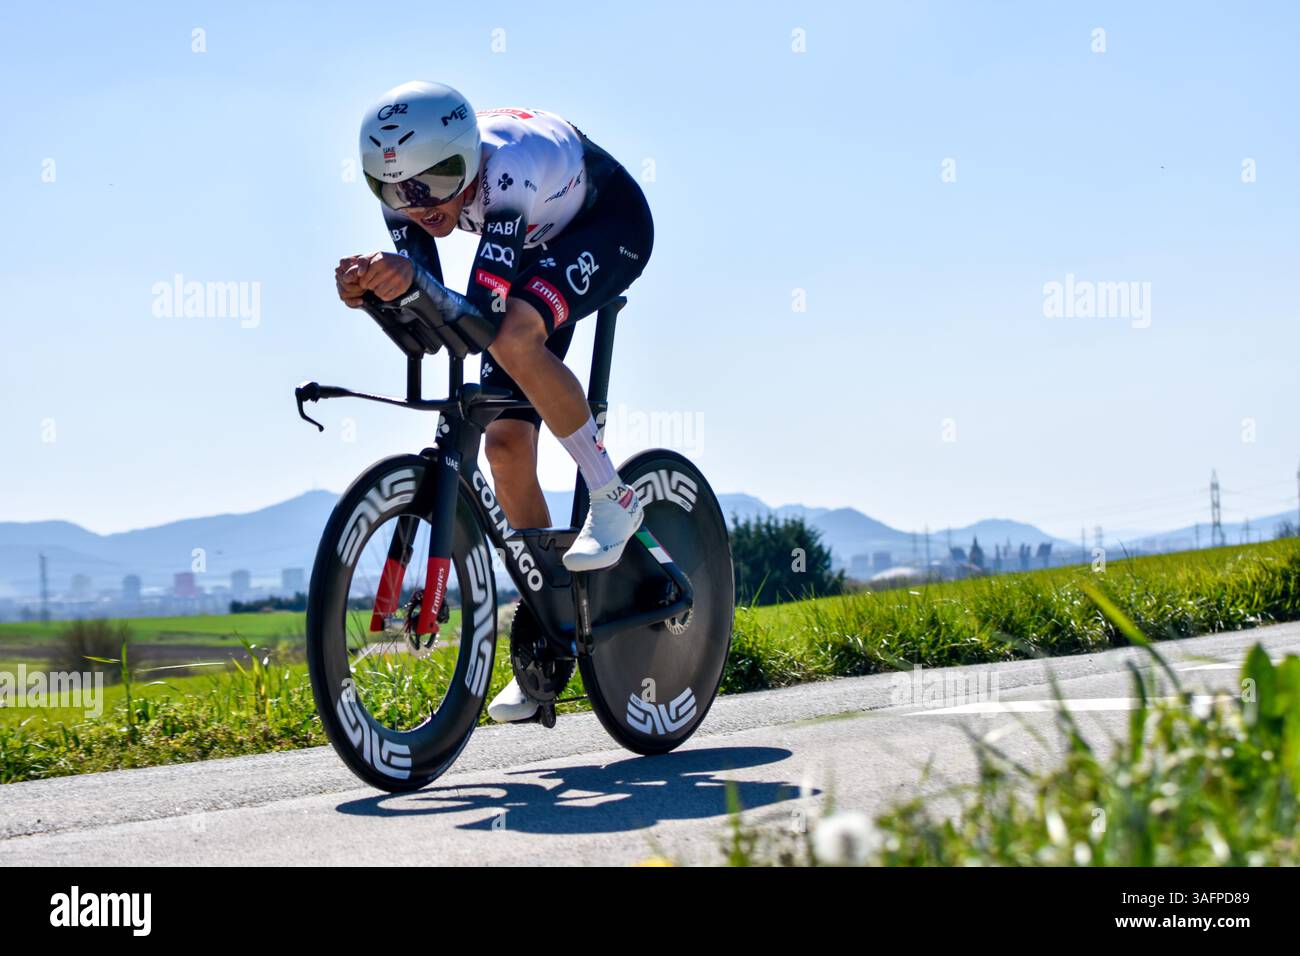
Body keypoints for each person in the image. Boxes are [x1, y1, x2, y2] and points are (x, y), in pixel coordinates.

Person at [335, 80, 654, 723]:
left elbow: (479, 310)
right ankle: (549, 639)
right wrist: (373, 292)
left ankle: (612, 497)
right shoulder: (410, 187)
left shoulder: (504, 168)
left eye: (437, 182)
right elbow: (425, 309)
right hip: (541, 243)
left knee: (513, 335)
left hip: (607, 222)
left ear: (468, 156)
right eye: (394, 191)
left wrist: (409, 281)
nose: (417, 206)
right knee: (506, 446)